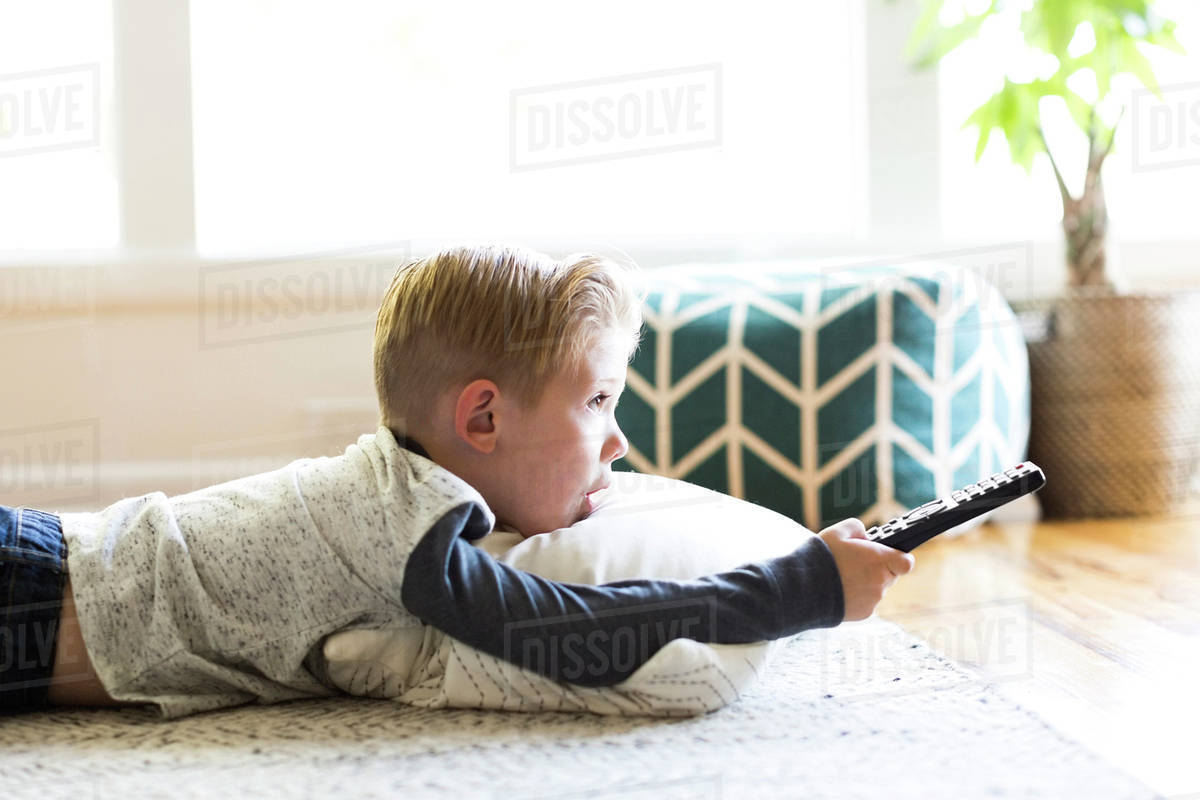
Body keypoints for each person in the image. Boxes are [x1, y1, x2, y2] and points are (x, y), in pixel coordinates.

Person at [0, 244, 914, 719]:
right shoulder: (396, 517)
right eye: (597, 401)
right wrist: (800, 589)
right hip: (28, 594)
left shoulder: (404, 500)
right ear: (482, 421)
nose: (619, 441)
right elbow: (571, 638)